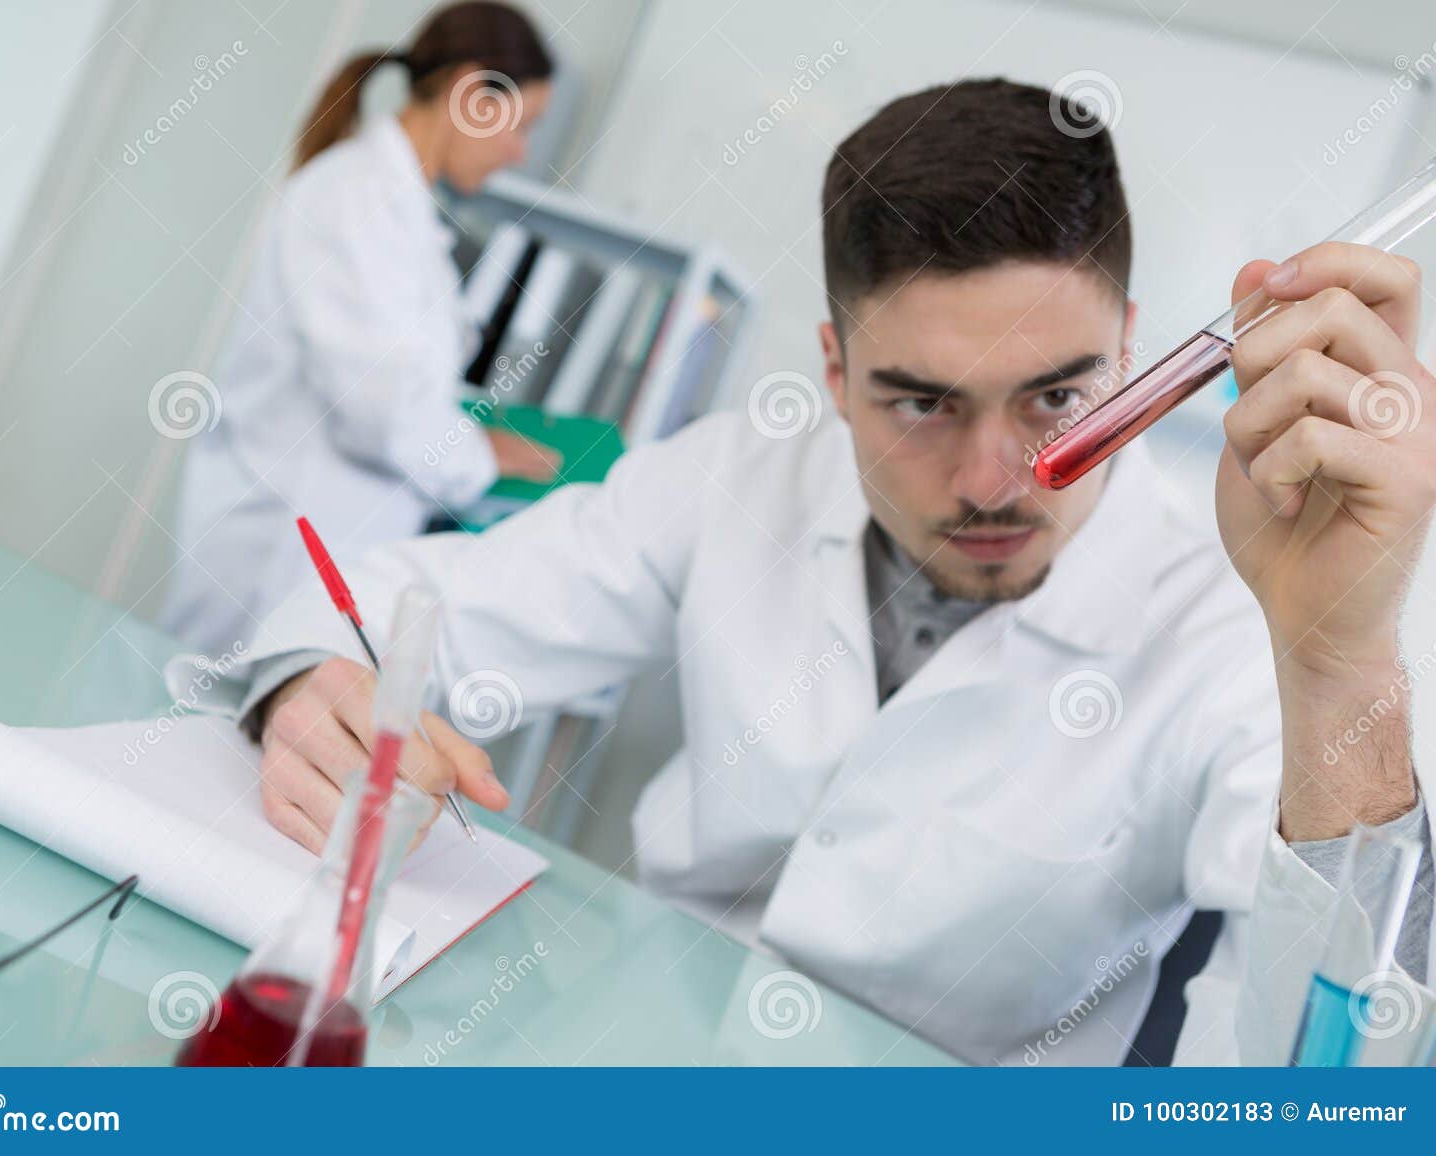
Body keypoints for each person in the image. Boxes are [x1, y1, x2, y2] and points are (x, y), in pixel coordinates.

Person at [173, 80, 1435, 1064]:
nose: (997, 477)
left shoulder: (1236, 617)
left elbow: (1325, 1081)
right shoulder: (747, 470)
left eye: (1057, 398)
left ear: (1130, 353)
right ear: (833, 373)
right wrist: (303, 681)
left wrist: (1335, 668)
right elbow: (400, 606)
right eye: (921, 402)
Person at [161, 1, 563, 654]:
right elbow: (381, 410)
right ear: (472, 94)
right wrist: (476, 454)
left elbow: (401, 385)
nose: (518, 154)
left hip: (317, 560)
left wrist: (468, 437)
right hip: (276, 561)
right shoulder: (353, 199)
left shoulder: (399, 213)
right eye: (523, 127)